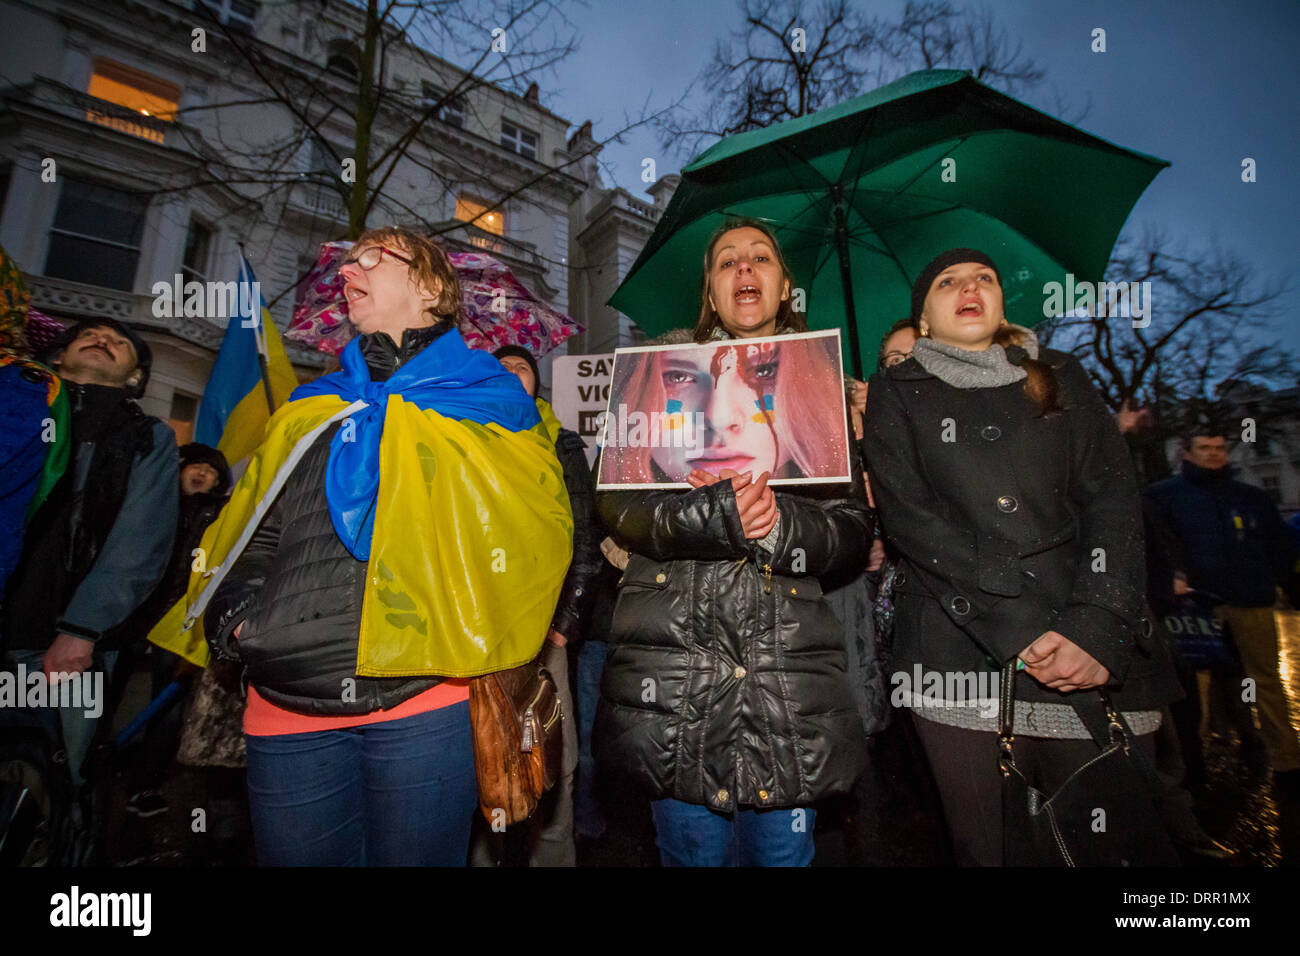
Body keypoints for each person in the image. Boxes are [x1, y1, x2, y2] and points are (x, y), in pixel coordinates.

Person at [192, 226, 572, 866]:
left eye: (372, 258)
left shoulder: (493, 403)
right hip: (288, 698)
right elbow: (250, 531)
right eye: (346, 262)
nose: (347, 271)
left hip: (426, 698)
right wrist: (237, 620)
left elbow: (542, 531)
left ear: (428, 285)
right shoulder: (310, 407)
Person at [862, 248, 1181, 866]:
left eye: (985, 277)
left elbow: (1112, 500)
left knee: (1111, 845)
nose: (969, 287)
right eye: (947, 282)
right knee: (990, 847)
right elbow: (910, 518)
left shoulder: (1061, 375)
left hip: (1087, 640)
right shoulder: (894, 392)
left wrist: (1093, 624)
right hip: (958, 649)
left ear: (1003, 302)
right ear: (922, 319)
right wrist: (1022, 624)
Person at [594, 219, 873, 866]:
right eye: (727, 262)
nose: (744, 270)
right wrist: (713, 515)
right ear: (711, 294)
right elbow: (615, 505)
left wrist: (778, 524)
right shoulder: (653, 373)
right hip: (675, 686)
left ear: (782, 287)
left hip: (788, 696)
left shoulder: (822, 390)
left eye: (760, 258)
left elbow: (853, 533)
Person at [1, 318, 178, 859]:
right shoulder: (16, 408)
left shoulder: (147, 436)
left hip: (66, 645)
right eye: (89, 335)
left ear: (136, 377)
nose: (104, 340)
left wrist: (82, 629)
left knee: (55, 777)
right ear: (57, 357)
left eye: (121, 343)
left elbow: (142, 537)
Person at [467, 343, 601, 866]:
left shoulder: (562, 445)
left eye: (521, 367)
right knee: (481, 761)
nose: (509, 373)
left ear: (537, 384)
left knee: (554, 759)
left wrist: (564, 627)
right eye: (497, 368)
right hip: (473, 631)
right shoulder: (464, 439)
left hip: (544, 634)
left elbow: (585, 538)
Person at [1145, 429, 1300, 795]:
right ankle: (1192, 766)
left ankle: (1287, 760)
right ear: (1188, 451)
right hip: (1194, 606)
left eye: (1219, 448)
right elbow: (1155, 544)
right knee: (1192, 686)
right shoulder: (1164, 496)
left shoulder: (1251, 498)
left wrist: (1290, 587)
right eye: (1205, 448)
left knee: (1265, 680)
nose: (1214, 454)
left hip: (1250, 601)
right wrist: (1171, 579)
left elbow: (1279, 547)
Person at [118, 443, 232, 819]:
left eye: (210, 470)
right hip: (130, 613)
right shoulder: (151, 502)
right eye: (194, 465)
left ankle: (145, 785)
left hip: (180, 620)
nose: (200, 473)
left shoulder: (219, 515)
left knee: (167, 703)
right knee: (100, 695)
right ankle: (89, 768)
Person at [598, 322, 847, 485]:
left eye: (764, 372)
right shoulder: (623, 510)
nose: (719, 418)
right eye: (677, 377)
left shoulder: (830, 507)